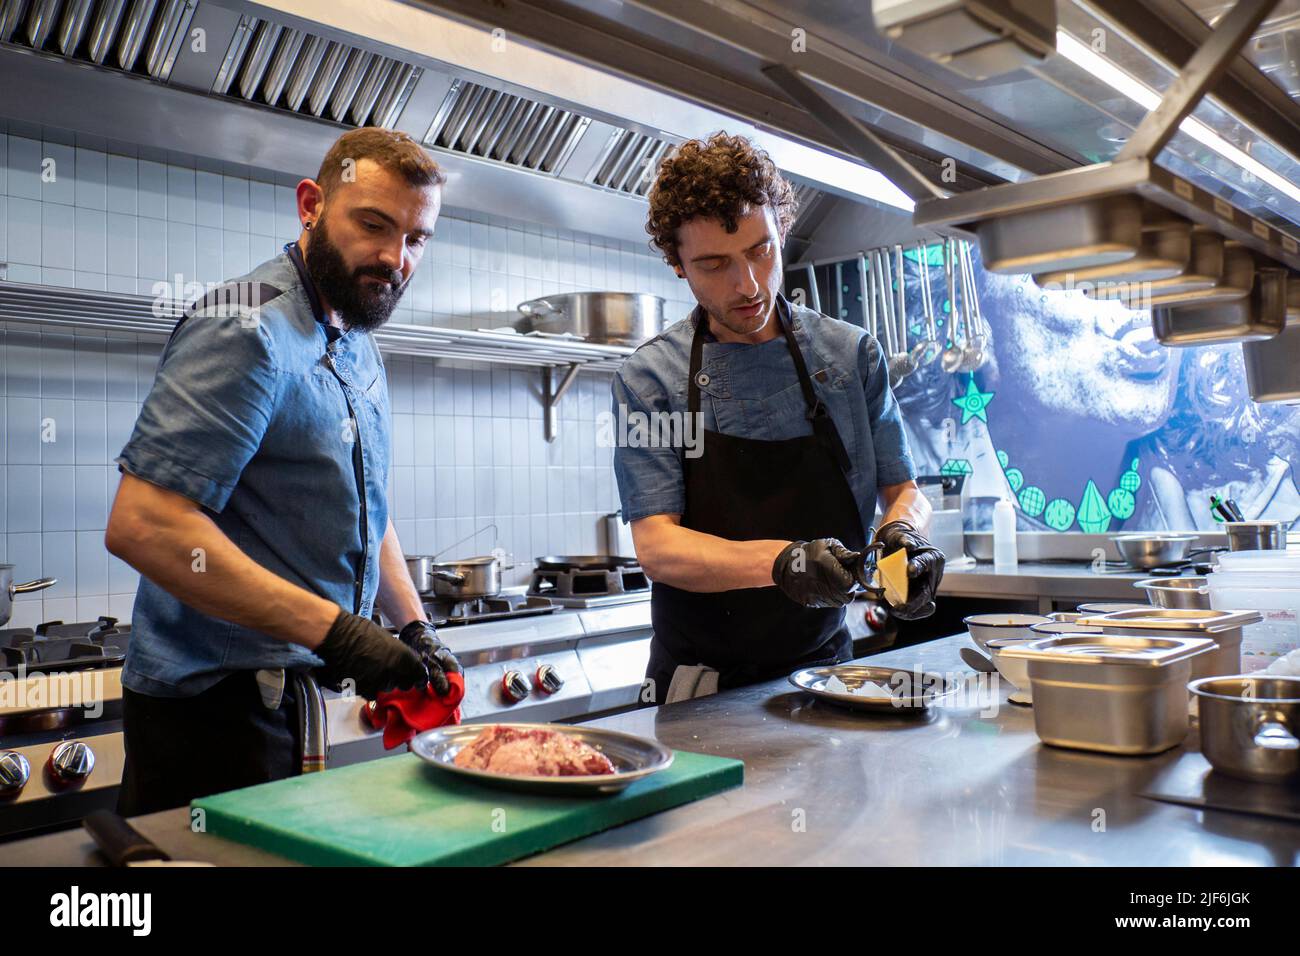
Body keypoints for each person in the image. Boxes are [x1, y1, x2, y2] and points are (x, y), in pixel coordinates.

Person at [106, 127, 461, 815]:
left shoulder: (354, 337)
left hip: (290, 701)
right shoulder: (245, 329)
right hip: (212, 715)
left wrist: (413, 627)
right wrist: (339, 632)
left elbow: (368, 505)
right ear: (310, 205)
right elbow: (144, 527)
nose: (395, 257)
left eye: (417, 239)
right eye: (373, 225)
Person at [611, 133, 944, 703]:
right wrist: (783, 562)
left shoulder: (850, 358)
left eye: (761, 250)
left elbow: (903, 489)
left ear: (782, 230)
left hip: (830, 674)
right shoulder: (651, 380)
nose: (748, 285)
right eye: (714, 265)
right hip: (699, 689)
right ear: (677, 264)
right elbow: (658, 547)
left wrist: (902, 543)